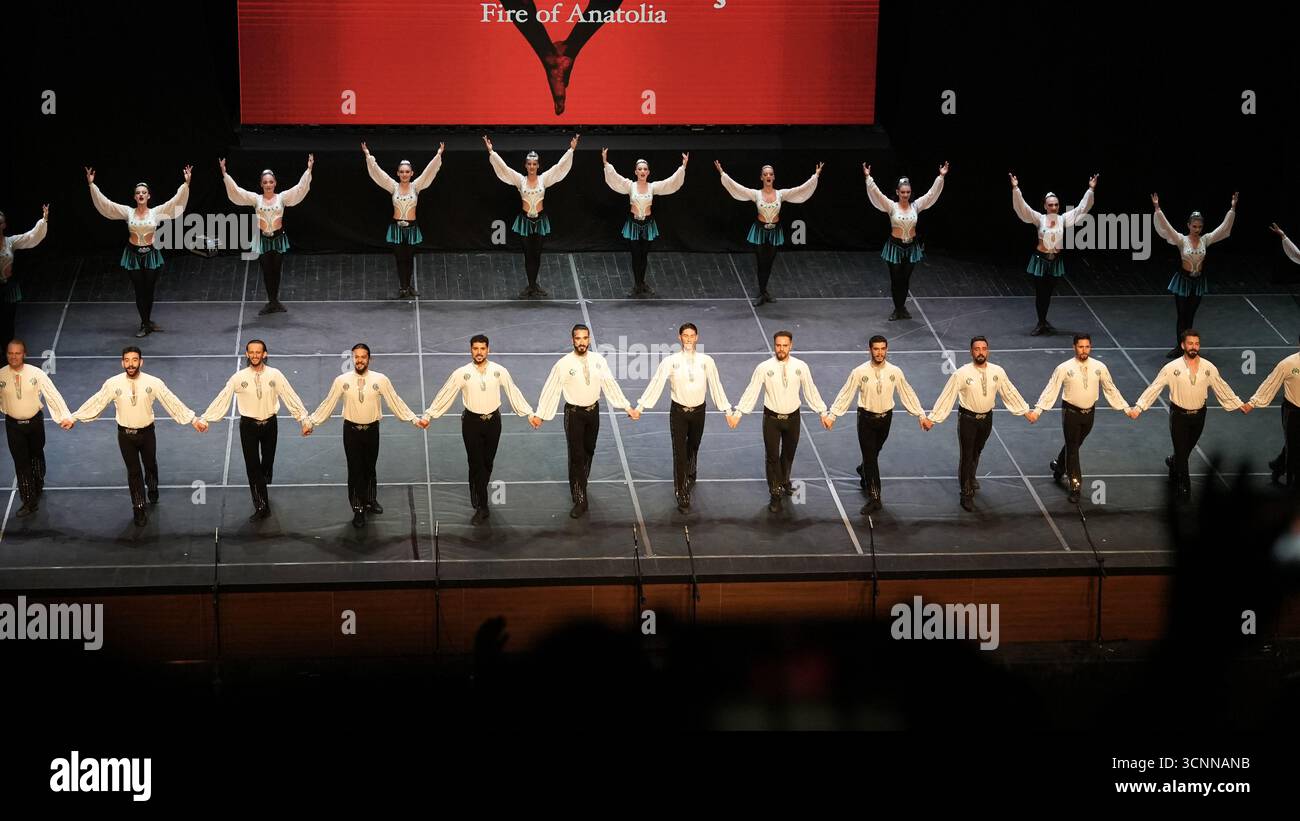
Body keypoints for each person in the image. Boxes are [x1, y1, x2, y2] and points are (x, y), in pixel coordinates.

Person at [71, 346, 206, 526]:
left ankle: (152, 486)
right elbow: (96, 402)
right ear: (122, 363)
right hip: (125, 435)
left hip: (147, 433)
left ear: (141, 362)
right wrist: (74, 417)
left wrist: (192, 419)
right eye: (127, 360)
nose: (131, 364)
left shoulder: (154, 382)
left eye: (134, 360)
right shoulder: (113, 383)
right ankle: (139, 507)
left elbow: (172, 402)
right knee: (133, 473)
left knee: (150, 464)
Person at [305, 343, 428, 528]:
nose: (360, 360)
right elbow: (328, 403)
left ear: (370, 359)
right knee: (355, 471)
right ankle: (358, 508)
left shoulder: (381, 380)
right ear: (353, 358)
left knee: (370, 467)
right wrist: (311, 422)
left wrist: (413, 419)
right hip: (352, 431)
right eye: (357, 357)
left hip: (372, 430)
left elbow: (395, 401)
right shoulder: (342, 380)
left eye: (363, 357)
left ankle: (370, 500)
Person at [421, 335, 535, 525]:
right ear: (470, 350)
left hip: (493, 422)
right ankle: (482, 505)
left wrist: (529, 413)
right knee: (476, 463)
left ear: (488, 350)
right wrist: (429, 415)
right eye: (475, 349)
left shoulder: (499, 371)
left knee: (487, 463)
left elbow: (513, 391)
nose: (479, 352)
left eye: (482, 349)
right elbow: (445, 394)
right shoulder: (462, 373)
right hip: (472, 423)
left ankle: (477, 491)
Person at [532, 324, 639, 518]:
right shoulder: (563, 364)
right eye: (578, 338)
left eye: (585, 338)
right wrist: (540, 414)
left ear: (589, 339)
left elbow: (609, 384)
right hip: (574, 414)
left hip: (593, 412)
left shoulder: (599, 361)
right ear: (572, 340)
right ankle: (580, 498)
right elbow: (551, 389)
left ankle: (579, 483)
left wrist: (626, 406)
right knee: (577, 455)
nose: (582, 342)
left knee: (589, 450)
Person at [1131, 329, 1251, 501]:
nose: (1194, 347)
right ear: (1183, 345)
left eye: (1196, 344)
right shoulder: (1171, 368)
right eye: (1190, 344)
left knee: (1185, 451)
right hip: (1179, 416)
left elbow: (1221, 387)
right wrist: (1139, 407)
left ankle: (1173, 461)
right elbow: (1154, 388)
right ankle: (1184, 488)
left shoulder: (1208, 368)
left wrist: (1239, 403)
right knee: (1182, 452)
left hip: (1199, 416)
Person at [198, 339, 312, 522]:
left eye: (258, 352)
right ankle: (261, 505)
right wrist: (205, 418)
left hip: (270, 425)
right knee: (253, 467)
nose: (254, 355)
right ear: (246, 354)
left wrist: (303, 419)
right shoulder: (239, 378)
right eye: (251, 352)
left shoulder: (275, 375)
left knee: (267, 463)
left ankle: (263, 480)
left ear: (264, 354)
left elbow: (290, 395)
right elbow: (222, 398)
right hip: (248, 426)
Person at [728, 330, 832, 514]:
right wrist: (739, 412)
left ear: (791, 346)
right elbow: (752, 390)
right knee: (772, 456)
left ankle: (784, 480)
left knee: (788, 454)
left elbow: (811, 390)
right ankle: (775, 493)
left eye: (785, 345)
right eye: (778, 345)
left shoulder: (801, 366)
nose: (781, 349)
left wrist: (823, 412)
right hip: (772, 420)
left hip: (793, 419)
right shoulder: (764, 367)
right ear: (774, 345)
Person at [926, 336, 1033, 511]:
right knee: (967, 455)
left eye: (984, 349)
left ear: (988, 351)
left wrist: (1024, 410)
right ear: (971, 352)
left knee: (977, 451)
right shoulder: (961, 373)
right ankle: (966, 493)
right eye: (977, 349)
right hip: (968, 420)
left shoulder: (997, 371)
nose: (981, 352)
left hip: (986, 419)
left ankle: (970, 476)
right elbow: (947, 396)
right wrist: (933, 418)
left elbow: (1009, 391)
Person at [1026, 333, 1136, 503]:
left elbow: (1110, 389)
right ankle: (1075, 486)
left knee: (1074, 445)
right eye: (1080, 347)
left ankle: (1059, 466)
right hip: (1070, 413)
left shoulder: (1099, 367)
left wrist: (1126, 408)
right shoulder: (1064, 368)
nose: (1084, 350)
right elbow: (1051, 389)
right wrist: (1038, 411)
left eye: (1087, 347)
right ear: (1074, 347)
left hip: (1089, 414)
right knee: (1073, 448)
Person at [633, 323, 732, 513]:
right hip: (678, 413)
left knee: (693, 445)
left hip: (699, 412)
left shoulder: (707, 361)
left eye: (691, 335)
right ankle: (682, 493)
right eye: (685, 335)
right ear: (679, 338)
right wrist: (640, 407)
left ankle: (691, 470)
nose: (688, 339)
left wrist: (727, 410)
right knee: (679, 452)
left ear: (697, 338)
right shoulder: (670, 362)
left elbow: (716, 386)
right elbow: (656, 384)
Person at [826, 335, 926, 514]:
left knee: (875, 452)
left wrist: (920, 414)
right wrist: (832, 415)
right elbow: (846, 393)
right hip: (866, 419)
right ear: (870, 350)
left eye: (882, 349)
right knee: (871, 457)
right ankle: (875, 497)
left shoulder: (895, 371)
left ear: (886, 349)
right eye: (876, 349)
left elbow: (907, 392)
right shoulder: (859, 372)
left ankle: (863, 468)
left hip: (886, 418)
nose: (879, 353)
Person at [86, 166, 191, 337]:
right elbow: (107, 205)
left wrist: (186, 184)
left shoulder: (155, 212)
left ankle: (148, 321)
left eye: (144, 192)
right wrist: (92, 186)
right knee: (139, 291)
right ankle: (144, 323)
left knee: (149, 290)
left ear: (148, 196)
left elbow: (174, 202)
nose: (141, 194)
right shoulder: (128, 212)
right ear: (135, 197)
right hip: (133, 256)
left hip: (151, 255)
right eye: (138, 193)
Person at [716, 160, 823, 307]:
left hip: (774, 231)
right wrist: (723, 173)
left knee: (769, 263)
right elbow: (737, 188)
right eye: (765, 174)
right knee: (761, 263)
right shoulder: (756, 194)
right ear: (761, 177)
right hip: (760, 231)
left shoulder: (780, 194)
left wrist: (815, 176)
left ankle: (764, 291)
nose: (768, 176)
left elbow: (799, 190)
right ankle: (761, 293)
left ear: (773, 177)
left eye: (770, 174)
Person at [485, 134, 577, 298]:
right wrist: (492, 152)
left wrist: (571, 150)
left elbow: (559, 168)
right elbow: (504, 169)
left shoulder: (544, 180)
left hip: (540, 221)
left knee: (537, 254)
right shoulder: (520, 180)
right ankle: (531, 285)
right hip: (525, 222)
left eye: (534, 164)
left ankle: (535, 285)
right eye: (529, 164)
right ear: (525, 165)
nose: (532, 166)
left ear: (538, 165)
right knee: (528, 254)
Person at [221, 155, 314, 315]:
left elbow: (299, 189)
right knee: (266, 271)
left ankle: (275, 301)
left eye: (271, 182)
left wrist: (309, 170)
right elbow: (238, 192)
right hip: (263, 240)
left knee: (276, 271)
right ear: (261, 184)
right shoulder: (256, 199)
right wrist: (225, 174)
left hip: (278, 239)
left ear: (275, 183)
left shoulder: (282, 198)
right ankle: (270, 301)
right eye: (265, 182)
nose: (268, 184)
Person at [1010, 171, 1098, 335]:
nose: (1054, 207)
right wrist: (1016, 189)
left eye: (1056, 204)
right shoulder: (1039, 219)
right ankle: (1041, 322)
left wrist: (1090, 190)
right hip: (1040, 260)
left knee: (1049, 293)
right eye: (1050, 205)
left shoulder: (1063, 219)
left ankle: (1044, 320)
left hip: (1055, 261)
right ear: (1045, 206)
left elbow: (1081, 209)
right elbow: (1023, 208)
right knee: (1040, 293)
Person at [1152, 192, 1238, 357]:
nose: (1197, 229)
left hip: (1198, 282)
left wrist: (1232, 208)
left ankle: (1189, 347)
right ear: (1188, 225)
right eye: (1194, 226)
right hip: (1183, 281)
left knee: (1190, 316)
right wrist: (1157, 208)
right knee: (1182, 315)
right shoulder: (1181, 240)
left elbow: (1223, 228)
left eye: (1199, 227)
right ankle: (1179, 347)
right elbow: (1167, 227)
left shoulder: (1205, 240)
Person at [863, 162, 948, 320]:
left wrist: (941, 176)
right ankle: (897, 309)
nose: (905, 195)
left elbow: (931, 194)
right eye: (902, 192)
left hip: (912, 247)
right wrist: (868, 177)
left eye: (908, 192)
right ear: (897, 192)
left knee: (905, 279)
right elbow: (877, 194)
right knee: (896, 279)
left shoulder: (916, 206)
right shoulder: (891, 206)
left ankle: (902, 307)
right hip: (895, 247)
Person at [0, 339, 73, 517]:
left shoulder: (36, 373)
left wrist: (64, 416)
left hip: (34, 424)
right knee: (21, 463)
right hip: (13, 425)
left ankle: (38, 482)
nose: (14, 356)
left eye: (17, 353)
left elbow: (52, 395)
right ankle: (28, 501)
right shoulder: (1, 375)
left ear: (24, 354)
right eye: (10, 353)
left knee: (36, 455)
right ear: (6, 354)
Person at [363, 141, 444, 298]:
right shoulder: (393, 186)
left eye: (407, 172)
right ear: (398, 173)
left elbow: (428, 172)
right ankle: (403, 287)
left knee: (409, 258)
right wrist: (368, 155)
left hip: (412, 227)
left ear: (412, 173)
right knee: (400, 259)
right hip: (396, 228)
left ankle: (408, 286)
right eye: (402, 172)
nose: (405, 174)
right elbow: (378, 173)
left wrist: (438, 154)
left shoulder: (416, 186)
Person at [601, 149, 687, 297]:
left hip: (647, 225)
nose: (642, 171)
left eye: (645, 169)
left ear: (648, 172)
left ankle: (642, 283)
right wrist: (605, 162)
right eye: (640, 169)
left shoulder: (653, 187)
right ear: (635, 171)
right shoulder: (630, 186)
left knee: (644, 255)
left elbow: (670, 182)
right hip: (634, 225)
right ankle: (637, 284)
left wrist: (683, 167)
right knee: (635, 255)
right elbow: (616, 178)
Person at [1249, 335, 1300, 488]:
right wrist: (1253, 402)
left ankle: (1278, 465)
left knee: (1296, 444)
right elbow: (1270, 383)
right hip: (1294, 412)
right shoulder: (1289, 363)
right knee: (1294, 448)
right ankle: (1293, 483)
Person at [0, 205, 50, 347]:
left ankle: (6, 352)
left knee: (8, 322)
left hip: (7, 287)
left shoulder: (10, 243)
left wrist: (43, 219)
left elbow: (30, 237)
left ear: (4, 225)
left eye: (0, 223)